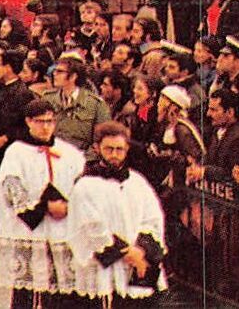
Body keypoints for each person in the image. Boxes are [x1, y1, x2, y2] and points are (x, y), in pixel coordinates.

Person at [0, 100, 85, 308]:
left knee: (60, 292)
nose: (46, 127)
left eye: (50, 121)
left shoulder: (69, 152)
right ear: (28, 122)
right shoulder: (16, 151)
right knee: (30, 291)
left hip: (62, 228)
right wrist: (43, 207)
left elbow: (83, 184)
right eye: (40, 121)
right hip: (31, 229)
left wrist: (71, 207)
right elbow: (11, 187)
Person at [68, 122, 166, 305]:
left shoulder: (137, 182)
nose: (114, 154)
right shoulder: (85, 186)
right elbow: (92, 228)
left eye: (119, 149)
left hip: (138, 267)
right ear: (97, 148)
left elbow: (153, 219)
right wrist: (130, 254)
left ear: (127, 148)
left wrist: (141, 250)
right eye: (109, 149)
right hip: (104, 270)